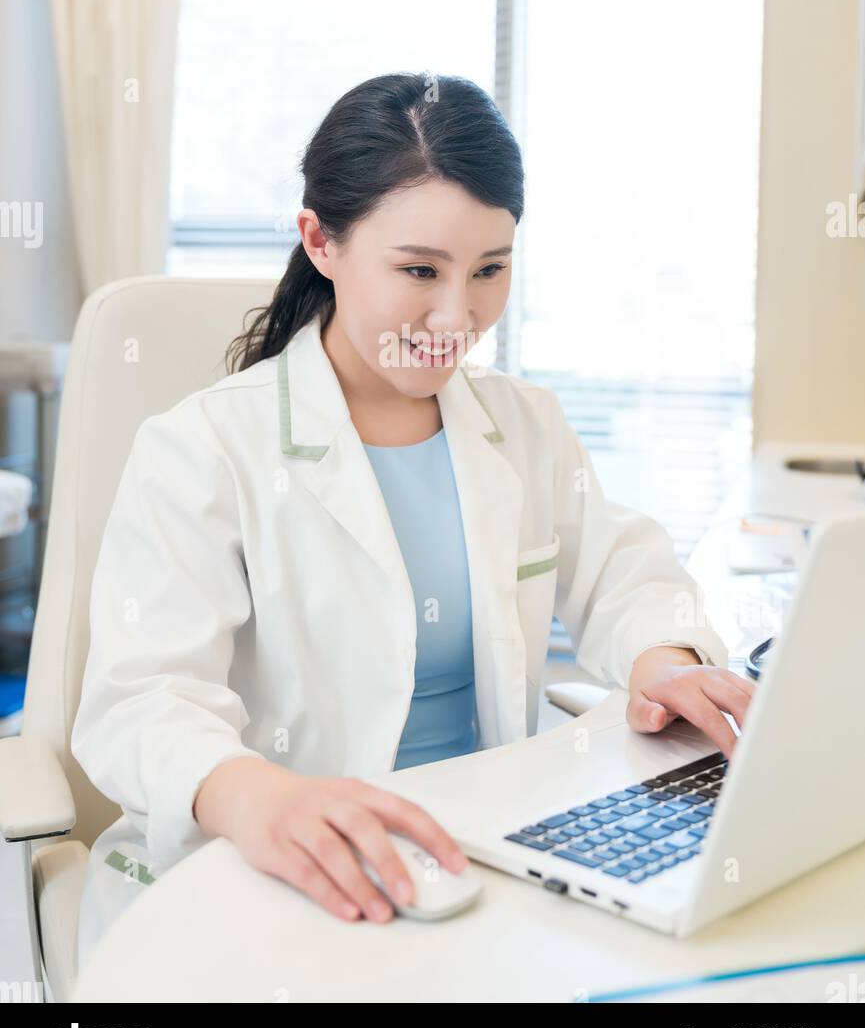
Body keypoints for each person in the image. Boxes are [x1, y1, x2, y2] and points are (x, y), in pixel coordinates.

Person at [71, 71, 753, 974]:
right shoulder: (202, 448)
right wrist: (253, 796)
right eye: (418, 270)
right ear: (320, 240)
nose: (455, 316)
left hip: (472, 866)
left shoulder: (525, 425)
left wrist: (663, 660)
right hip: (264, 869)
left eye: (489, 272)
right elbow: (141, 701)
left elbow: (624, 574)